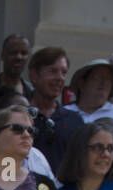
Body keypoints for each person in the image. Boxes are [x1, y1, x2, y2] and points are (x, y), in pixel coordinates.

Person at [27, 46, 84, 175]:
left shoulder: (74, 120)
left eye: (64, 72)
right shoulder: (17, 117)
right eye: (53, 71)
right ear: (34, 75)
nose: (60, 78)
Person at [67, 59, 113, 129]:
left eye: (108, 79)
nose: (104, 83)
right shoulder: (65, 113)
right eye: (98, 78)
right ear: (82, 84)